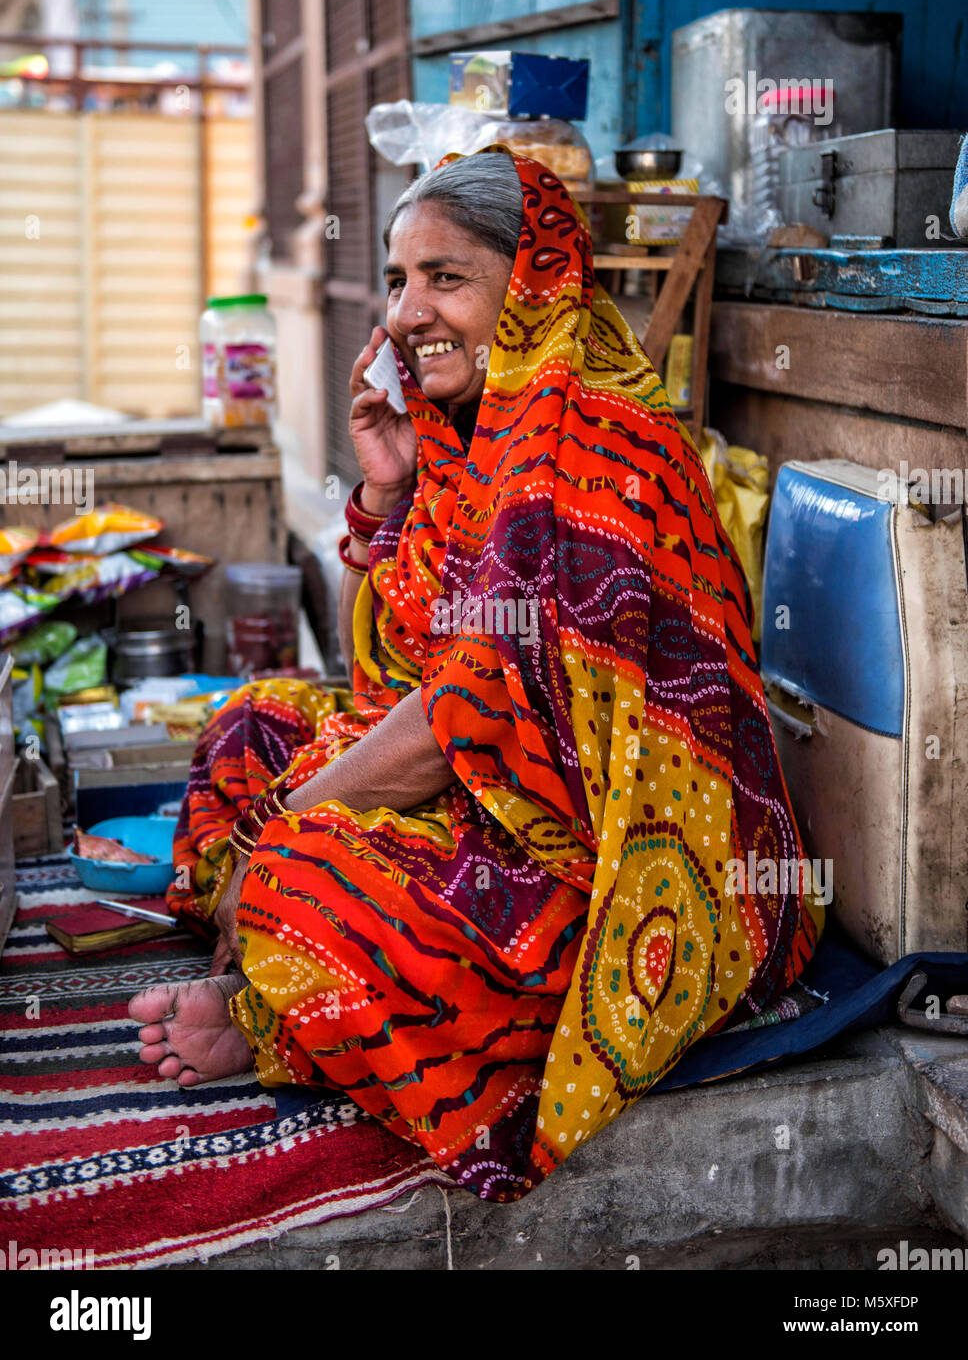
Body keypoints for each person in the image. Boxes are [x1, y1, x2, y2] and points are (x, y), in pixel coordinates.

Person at [129, 147, 824, 1203]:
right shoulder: (482, 436)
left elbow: (466, 713)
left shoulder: (593, 448)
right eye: (399, 281)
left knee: (294, 877)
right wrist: (388, 493)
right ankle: (296, 989)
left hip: (608, 860)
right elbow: (394, 664)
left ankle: (296, 1006)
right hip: (487, 790)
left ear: (533, 282)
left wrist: (285, 826)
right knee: (249, 724)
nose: (410, 312)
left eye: (445, 277)